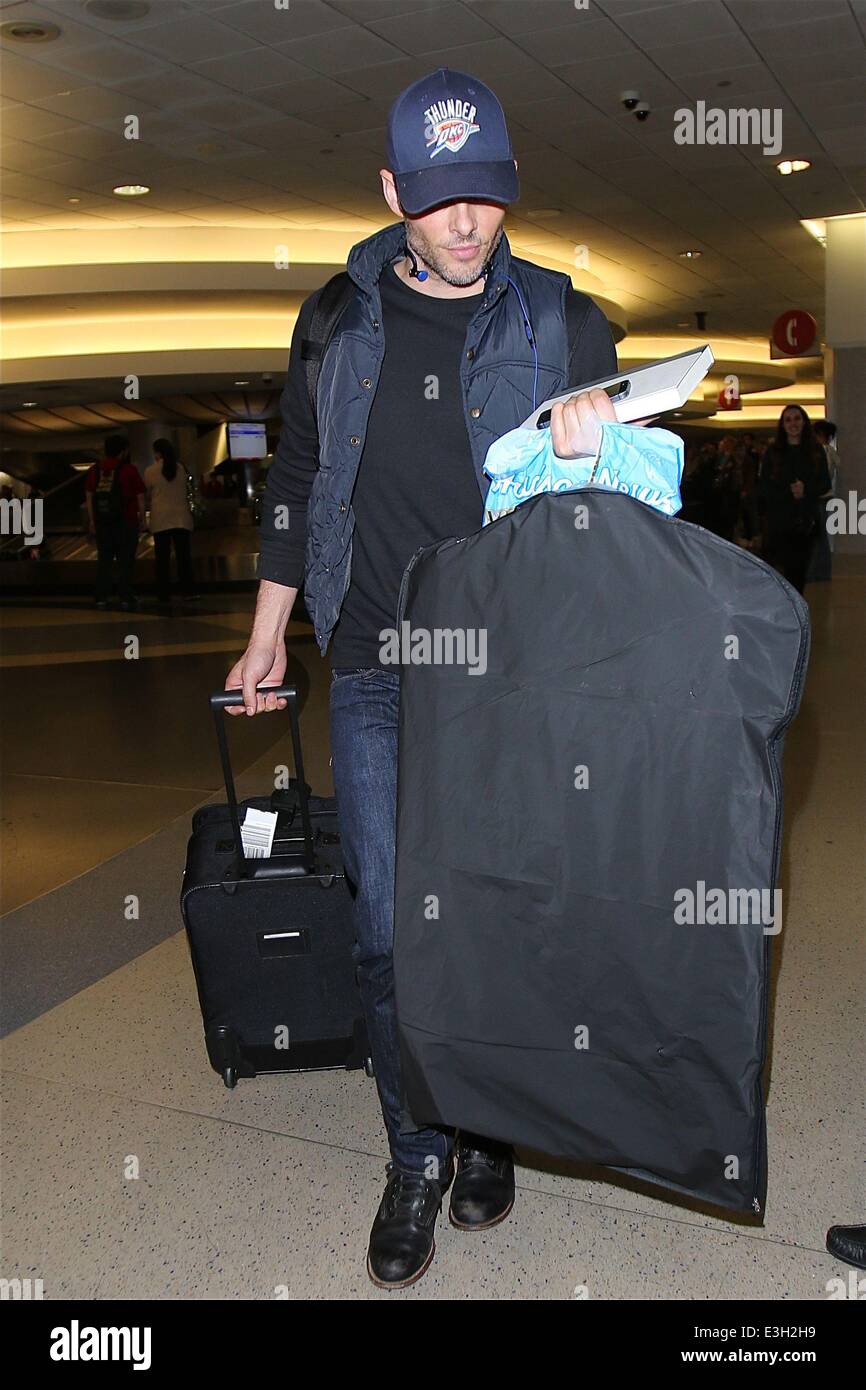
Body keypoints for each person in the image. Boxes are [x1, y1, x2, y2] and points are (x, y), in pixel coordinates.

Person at [225, 68, 624, 1289]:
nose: (464, 226)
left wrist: (596, 448)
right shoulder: (334, 325)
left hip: (511, 670)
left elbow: (628, 510)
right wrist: (264, 632)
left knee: (495, 914)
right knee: (392, 927)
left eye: (486, 199)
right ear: (392, 191)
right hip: (377, 664)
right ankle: (415, 1151)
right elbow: (297, 481)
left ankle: (487, 1126)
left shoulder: (565, 320)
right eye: (439, 200)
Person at [758, 405, 832, 594]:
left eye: (797, 419)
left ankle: (796, 615)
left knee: (798, 573)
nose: (793, 424)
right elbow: (764, 486)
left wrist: (805, 490)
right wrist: (788, 492)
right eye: (788, 420)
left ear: (804, 422)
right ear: (782, 425)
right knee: (780, 573)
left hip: (805, 521)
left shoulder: (815, 451)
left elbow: (824, 483)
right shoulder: (773, 452)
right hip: (779, 521)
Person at [84, 434, 145, 610]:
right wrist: (142, 518)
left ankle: (101, 596)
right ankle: (126, 595)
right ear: (123, 451)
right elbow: (140, 495)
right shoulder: (129, 470)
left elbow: (89, 496)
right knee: (126, 560)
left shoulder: (95, 470)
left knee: (105, 560)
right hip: (126, 521)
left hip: (103, 522)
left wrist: (92, 520)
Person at [144, 437, 194, 607]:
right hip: (181, 517)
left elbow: (147, 493)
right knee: (183, 557)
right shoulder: (180, 468)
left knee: (162, 558)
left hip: (161, 519)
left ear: (157, 453)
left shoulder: (150, 471)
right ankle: (187, 590)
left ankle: (163, 593)